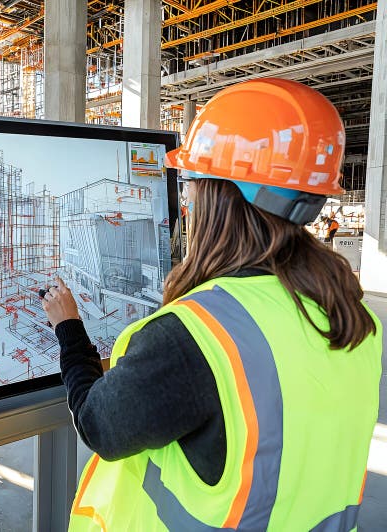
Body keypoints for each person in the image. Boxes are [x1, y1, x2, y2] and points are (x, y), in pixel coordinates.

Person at [42, 78, 382, 530]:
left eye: (191, 182)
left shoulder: (193, 336)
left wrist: (69, 330)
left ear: (220, 194)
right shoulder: (350, 315)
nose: (187, 198)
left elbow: (100, 425)